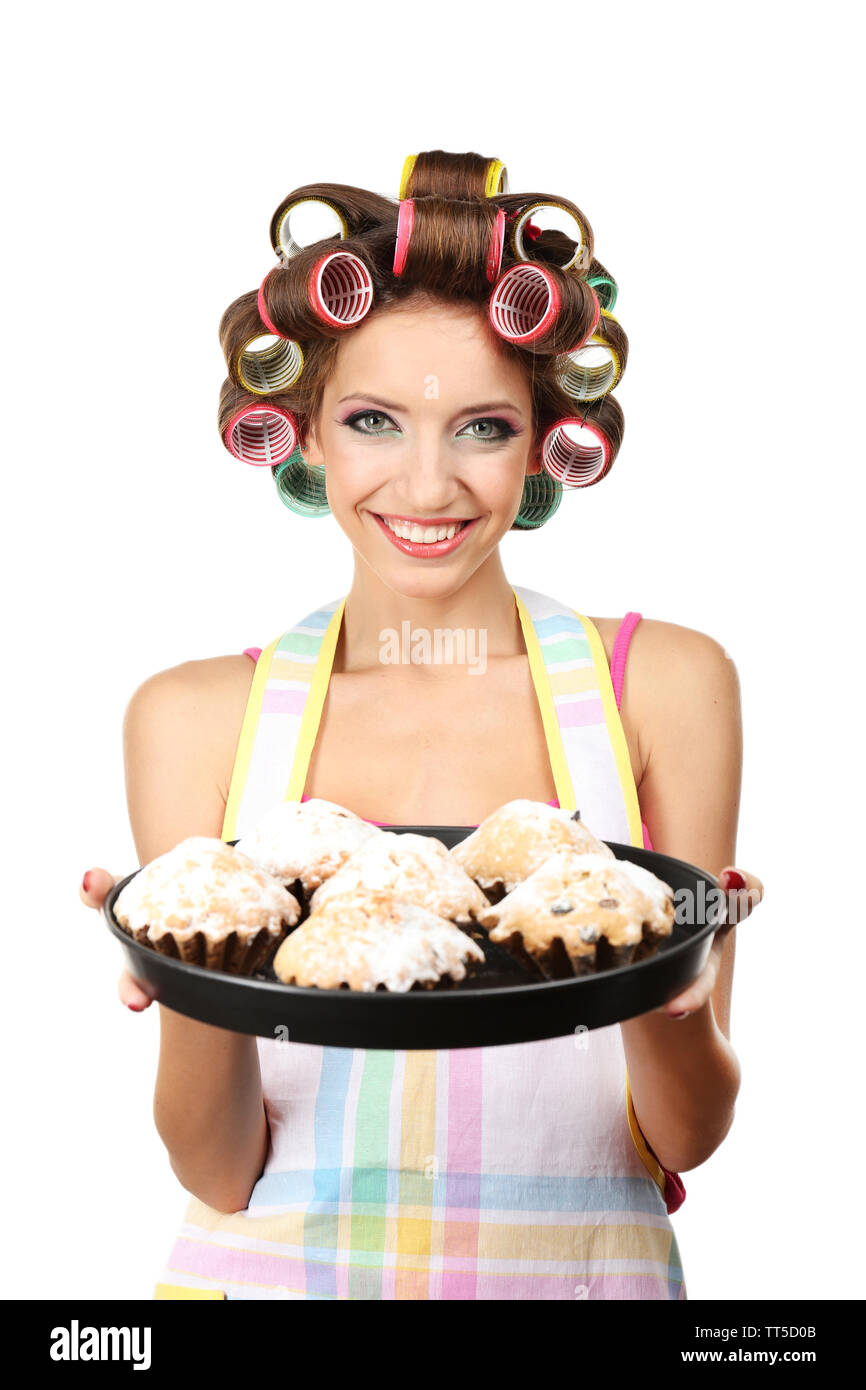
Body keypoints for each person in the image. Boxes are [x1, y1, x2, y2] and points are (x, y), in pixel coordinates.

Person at [80, 149, 763, 1301]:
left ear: (547, 434)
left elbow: (681, 1135)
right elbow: (216, 1164)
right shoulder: (193, 719)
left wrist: (673, 982)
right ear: (302, 431)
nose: (428, 482)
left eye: (483, 427)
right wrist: (186, 976)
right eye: (373, 420)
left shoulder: (662, 686)